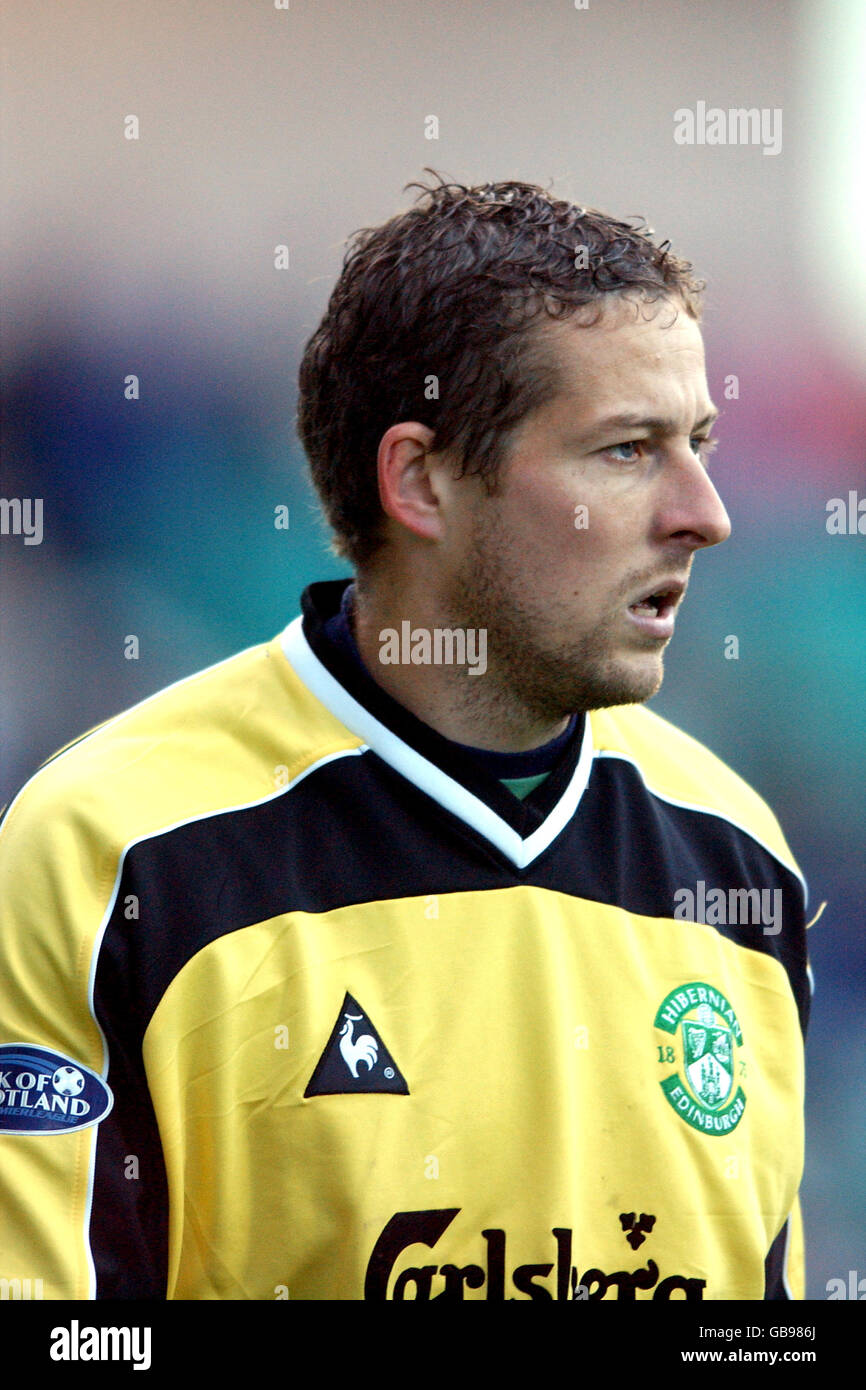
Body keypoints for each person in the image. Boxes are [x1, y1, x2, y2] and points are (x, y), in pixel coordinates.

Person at [0, 173, 809, 1301]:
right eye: (626, 449)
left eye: (700, 442)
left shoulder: (736, 861)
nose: (703, 512)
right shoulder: (110, 852)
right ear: (421, 481)